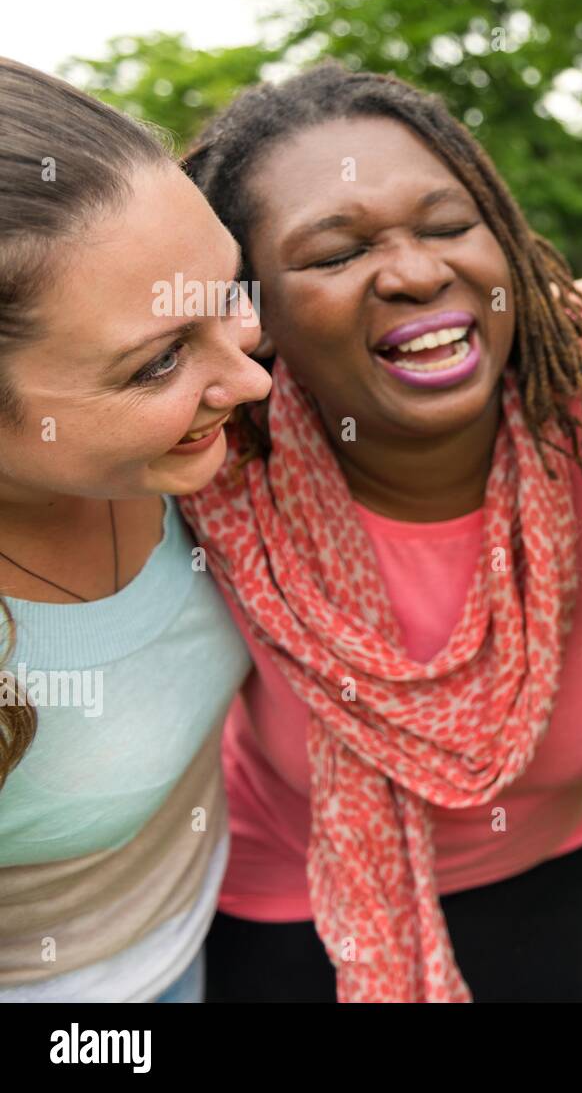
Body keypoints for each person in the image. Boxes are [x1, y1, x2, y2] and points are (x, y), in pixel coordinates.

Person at [179, 63, 582, 1003]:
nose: (416, 272)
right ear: (254, 312)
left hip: (568, 875)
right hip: (297, 904)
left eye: (450, 226)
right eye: (334, 254)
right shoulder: (215, 463)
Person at [0, 58, 271, 1002]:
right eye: (158, 363)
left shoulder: (210, 451)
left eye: (234, 296)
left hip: (206, 948)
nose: (252, 381)